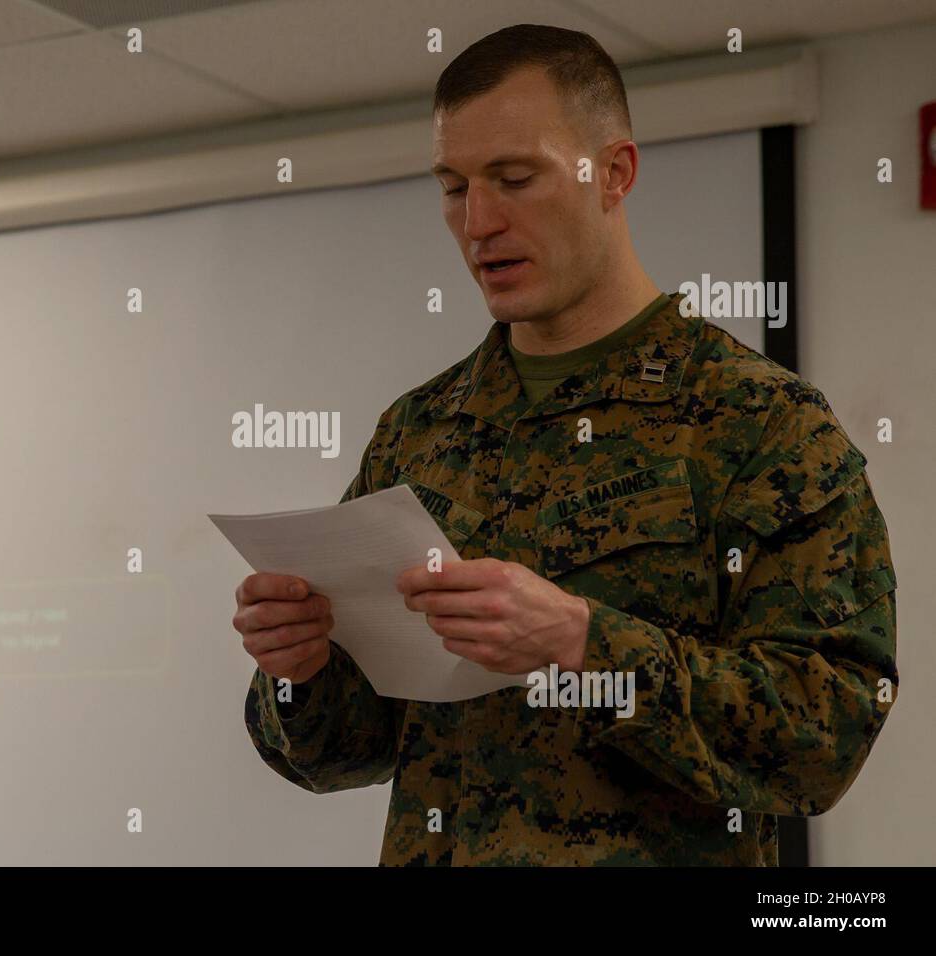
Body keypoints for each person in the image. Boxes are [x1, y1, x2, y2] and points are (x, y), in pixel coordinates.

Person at [233, 24, 898, 865]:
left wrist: (584, 642)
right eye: (453, 187)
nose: (478, 222)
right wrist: (301, 667)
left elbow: (825, 732)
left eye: (514, 178)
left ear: (613, 173)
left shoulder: (761, 421)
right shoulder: (419, 429)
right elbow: (349, 750)